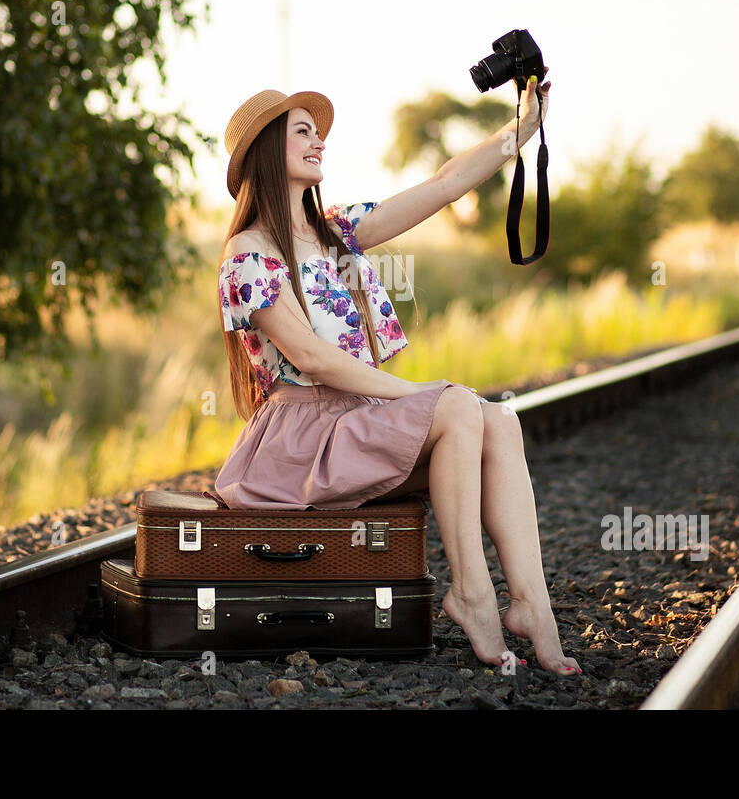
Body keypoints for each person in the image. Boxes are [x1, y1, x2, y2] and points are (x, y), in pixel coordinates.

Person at [213, 76, 579, 676]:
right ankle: (471, 594)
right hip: (301, 442)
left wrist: (520, 129)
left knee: (500, 422)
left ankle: (532, 606)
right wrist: (422, 395)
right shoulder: (249, 252)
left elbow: (442, 185)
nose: (318, 142)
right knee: (458, 406)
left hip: (352, 422)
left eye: (317, 132)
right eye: (301, 131)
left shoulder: (333, 232)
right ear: (265, 152)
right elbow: (312, 358)